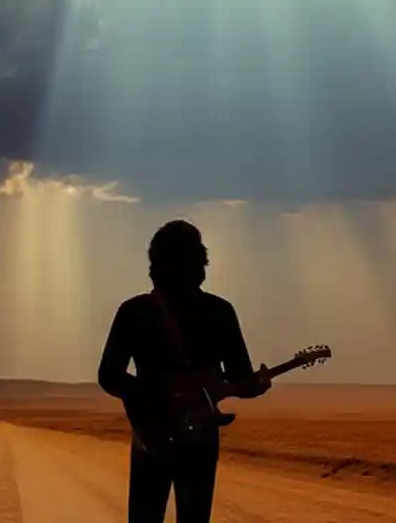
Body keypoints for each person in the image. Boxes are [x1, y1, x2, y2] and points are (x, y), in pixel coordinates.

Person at [99, 220, 272, 522]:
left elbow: (109, 376)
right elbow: (241, 379)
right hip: (199, 440)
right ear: (200, 265)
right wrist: (257, 385)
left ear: (155, 266)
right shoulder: (220, 312)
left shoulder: (134, 311)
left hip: (150, 436)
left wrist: (149, 400)